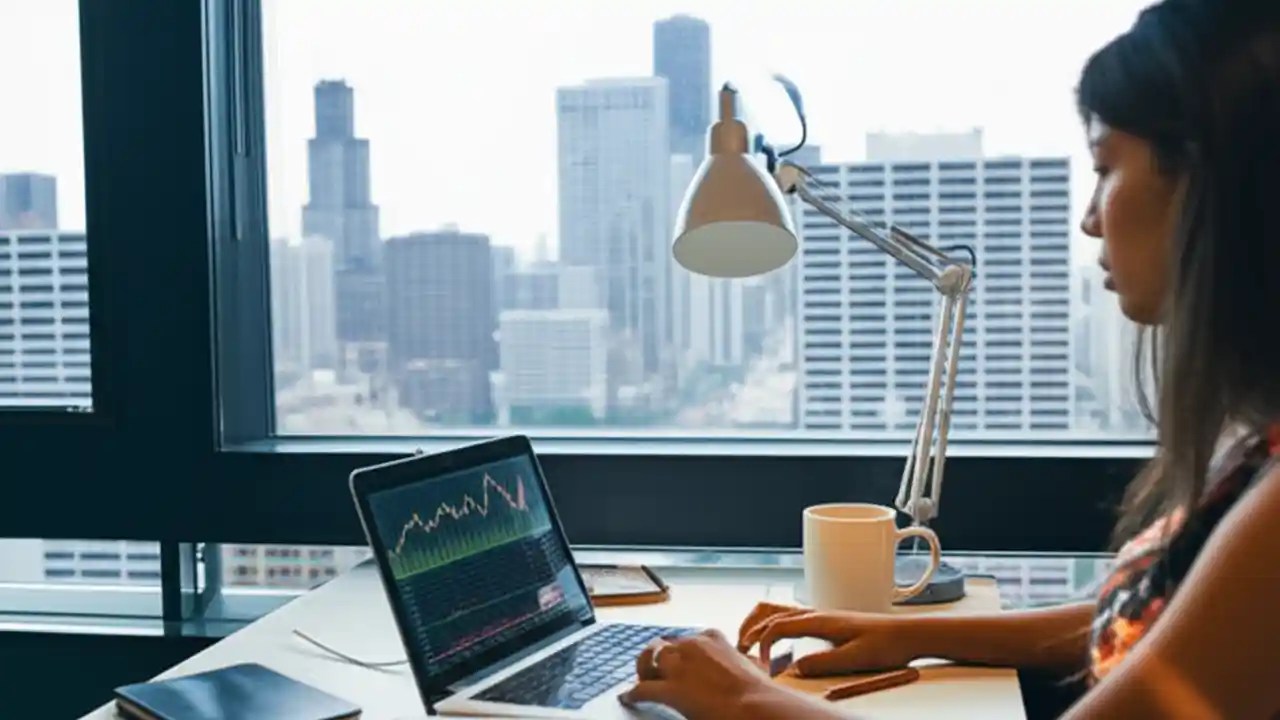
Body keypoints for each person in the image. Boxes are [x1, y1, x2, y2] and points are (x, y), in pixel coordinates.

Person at [619, 1, 1280, 718]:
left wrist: (744, 697)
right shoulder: (1256, 451)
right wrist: (905, 635)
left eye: (1104, 168)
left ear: (1210, 184)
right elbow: (1153, 622)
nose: (1089, 218)